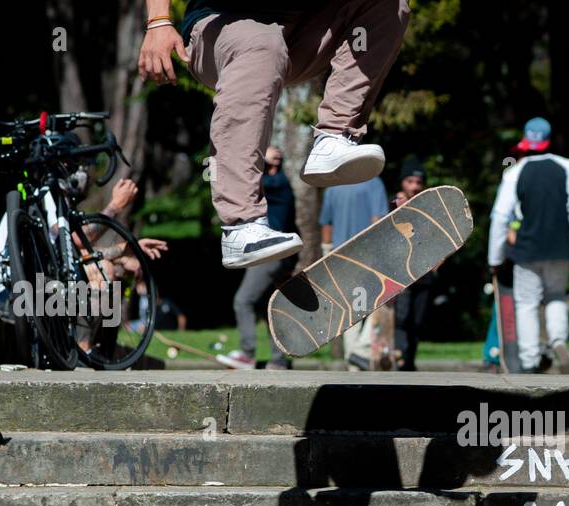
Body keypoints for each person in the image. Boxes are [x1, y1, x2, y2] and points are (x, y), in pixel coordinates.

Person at [138, 1, 409, 270]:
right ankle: (240, 224)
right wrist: (158, 21)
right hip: (219, 30)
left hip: (298, 35)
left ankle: (334, 136)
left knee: (389, 4)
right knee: (262, 42)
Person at [488, 117, 569, 373]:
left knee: (527, 302)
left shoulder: (515, 172)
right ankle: (558, 340)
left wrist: (495, 258)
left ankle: (530, 360)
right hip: (559, 247)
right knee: (556, 294)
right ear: (549, 141)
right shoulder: (567, 166)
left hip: (527, 248)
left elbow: (500, 216)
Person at [219, 146, 298, 369]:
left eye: (273, 163)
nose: (271, 168)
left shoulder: (277, 183)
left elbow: (248, 181)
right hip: (274, 254)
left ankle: (247, 354)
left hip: (269, 253)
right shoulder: (277, 184)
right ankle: (279, 360)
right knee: (267, 306)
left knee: (243, 300)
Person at [320, 176, 390, 369]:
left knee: (351, 312)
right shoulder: (373, 182)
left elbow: (327, 225)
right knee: (384, 300)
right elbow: (378, 220)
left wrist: (326, 252)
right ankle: (361, 350)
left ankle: (353, 365)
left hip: (340, 257)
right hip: (367, 254)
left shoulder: (333, 186)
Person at [391, 156, 434, 371]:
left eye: (419, 182)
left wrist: (439, 260)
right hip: (400, 272)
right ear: (402, 182)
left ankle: (409, 363)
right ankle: (399, 359)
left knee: (417, 320)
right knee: (401, 316)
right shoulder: (391, 204)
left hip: (424, 272)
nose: (415, 187)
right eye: (410, 181)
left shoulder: (428, 207)